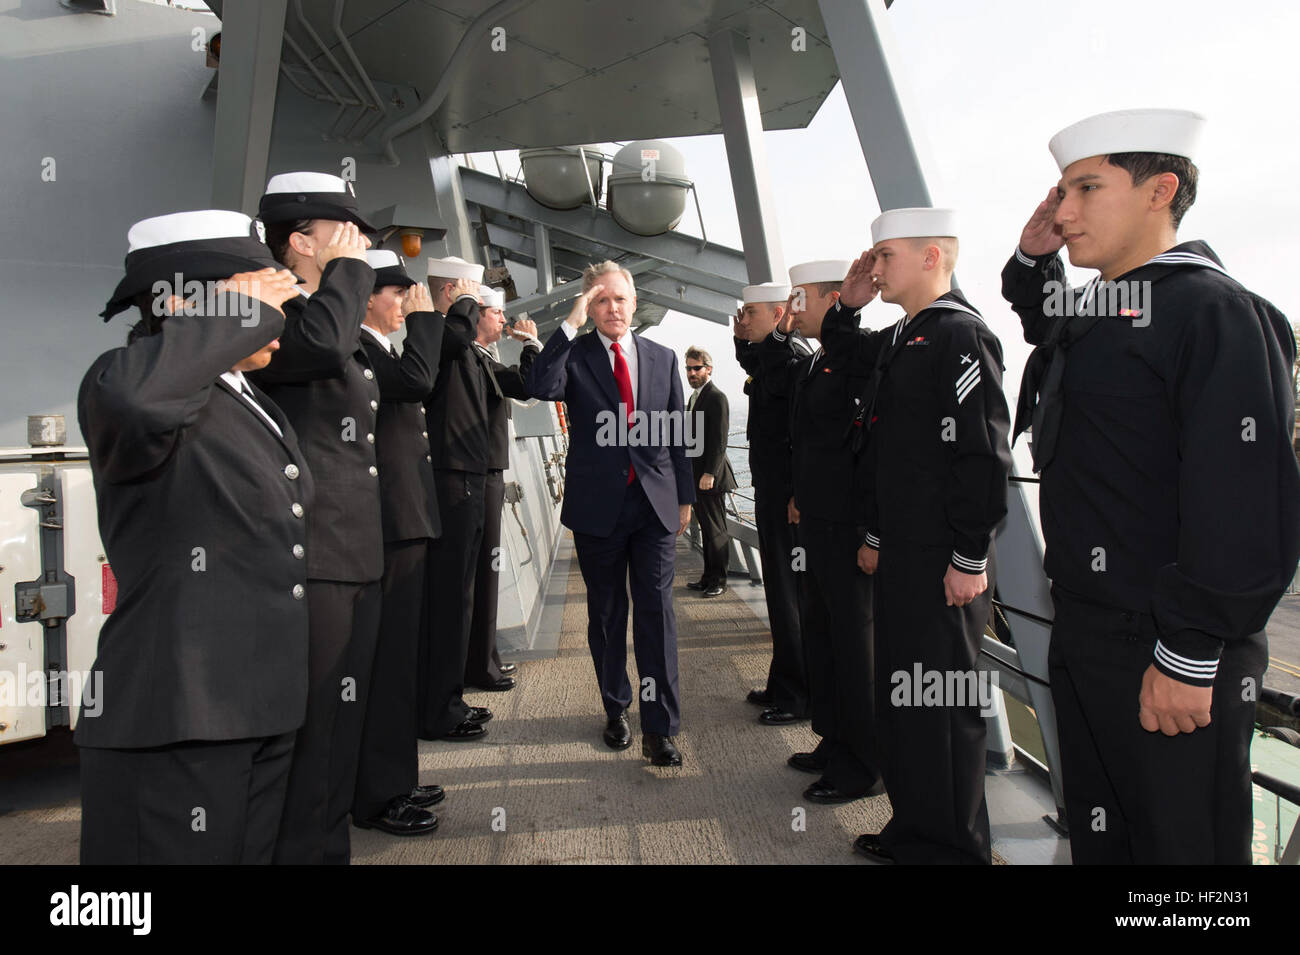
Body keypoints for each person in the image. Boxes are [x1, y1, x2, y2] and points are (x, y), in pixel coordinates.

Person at [1002, 108, 1300, 864]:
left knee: (1180, 854)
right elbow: (1051, 324)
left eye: (1086, 188)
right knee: (1108, 839)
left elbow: (1245, 502)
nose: (1063, 211)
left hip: (1166, 646)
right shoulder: (1113, 305)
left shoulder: (1215, 312)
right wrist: (1036, 258)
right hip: (1090, 630)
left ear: (1160, 189)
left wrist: (1190, 653)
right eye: (1060, 193)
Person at [78, 210, 307, 863]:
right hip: (178, 719)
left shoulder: (243, 397)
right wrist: (236, 314)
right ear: (182, 300)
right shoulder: (125, 381)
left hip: (256, 708)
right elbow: (137, 402)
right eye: (256, 291)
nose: (276, 311)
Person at [831, 209, 1011, 865]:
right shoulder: (905, 337)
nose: (874, 268)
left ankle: (956, 849)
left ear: (932, 255)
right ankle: (916, 831)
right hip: (903, 557)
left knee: (942, 708)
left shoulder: (961, 336)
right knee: (904, 703)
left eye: (884, 256)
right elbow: (858, 390)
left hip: (944, 563)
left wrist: (969, 555)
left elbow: (983, 454)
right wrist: (847, 309)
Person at [249, 171, 381, 865]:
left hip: (354, 550)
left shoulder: (326, 309)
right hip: (314, 552)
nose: (360, 245)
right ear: (300, 241)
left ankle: (328, 847)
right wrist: (351, 271)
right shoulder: (278, 317)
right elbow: (325, 345)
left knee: (343, 720)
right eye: (344, 233)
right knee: (313, 725)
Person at [525, 260, 695, 766]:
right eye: (601, 300)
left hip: (654, 507)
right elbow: (539, 385)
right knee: (605, 614)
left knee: (656, 615)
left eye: (619, 298)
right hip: (598, 509)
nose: (612, 308)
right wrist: (570, 322)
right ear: (590, 308)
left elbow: (677, 435)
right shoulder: (573, 357)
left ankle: (659, 726)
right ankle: (615, 707)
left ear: (634, 302)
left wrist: (684, 496)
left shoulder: (663, 359)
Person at [757, 260, 883, 801]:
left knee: (858, 650)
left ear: (835, 298)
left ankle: (863, 764)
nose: (793, 308)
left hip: (850, 525)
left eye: (800, 298)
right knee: (826, 638)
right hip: (817, 522)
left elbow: (871, 450)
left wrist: (872, 533)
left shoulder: (859, 359)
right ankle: (834, 739)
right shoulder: (815, 364)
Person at [351, 249, 446, 837]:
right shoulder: (359, 346)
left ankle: (396, 777)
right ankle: (376, 795)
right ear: (369, 297)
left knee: (399, 660)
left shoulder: (379, 348)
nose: (405, 303)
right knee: (382, 665)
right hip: (387, 521)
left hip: (406, 516)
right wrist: (429, 315)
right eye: (397, 293)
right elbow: (418, 381)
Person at [419, 255, 497, 741]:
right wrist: (463, 302)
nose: (480, 309)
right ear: (451, 293)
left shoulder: (460, 341)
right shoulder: (435, 331)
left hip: (466, 477)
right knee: (447, 598)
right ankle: (438, 709)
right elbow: (450, 339)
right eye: (471, 296)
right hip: (449, 479)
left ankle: (449, 698)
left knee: (459, 596)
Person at [734, 282, 812, 725]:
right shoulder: (773, 357)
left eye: (751, 313)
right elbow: (755, 363)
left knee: (793, 597)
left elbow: (807, 434)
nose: (743, 320)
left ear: (780, 314)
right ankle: (785, 682)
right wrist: (742, 336)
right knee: (780, 595)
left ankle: (799, 694)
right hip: (773, 493)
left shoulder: (794, 358)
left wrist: (801, 491)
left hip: (790, 500)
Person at [463, 286, 541, 691]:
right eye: (496, 313)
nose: (502, 321)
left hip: (487, 470)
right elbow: (528, 384)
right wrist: (529, 343)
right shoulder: (472, 357)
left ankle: (485, 659)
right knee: (476, 576)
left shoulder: (484, 358)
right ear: (475, 315)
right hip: (478, 473)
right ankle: (478, 665)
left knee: (485, 574)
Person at [684, 345, 737, 598]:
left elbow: (719, 440)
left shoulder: (716, 397)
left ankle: (720, 580)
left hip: (710, 477)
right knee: (706, 528)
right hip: (697, 475)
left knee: (716, 530)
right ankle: (708, 577)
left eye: (697, 368)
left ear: (709, 369)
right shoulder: (694, 398)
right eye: (688, 368)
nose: (692, 373)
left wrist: (710, 474)